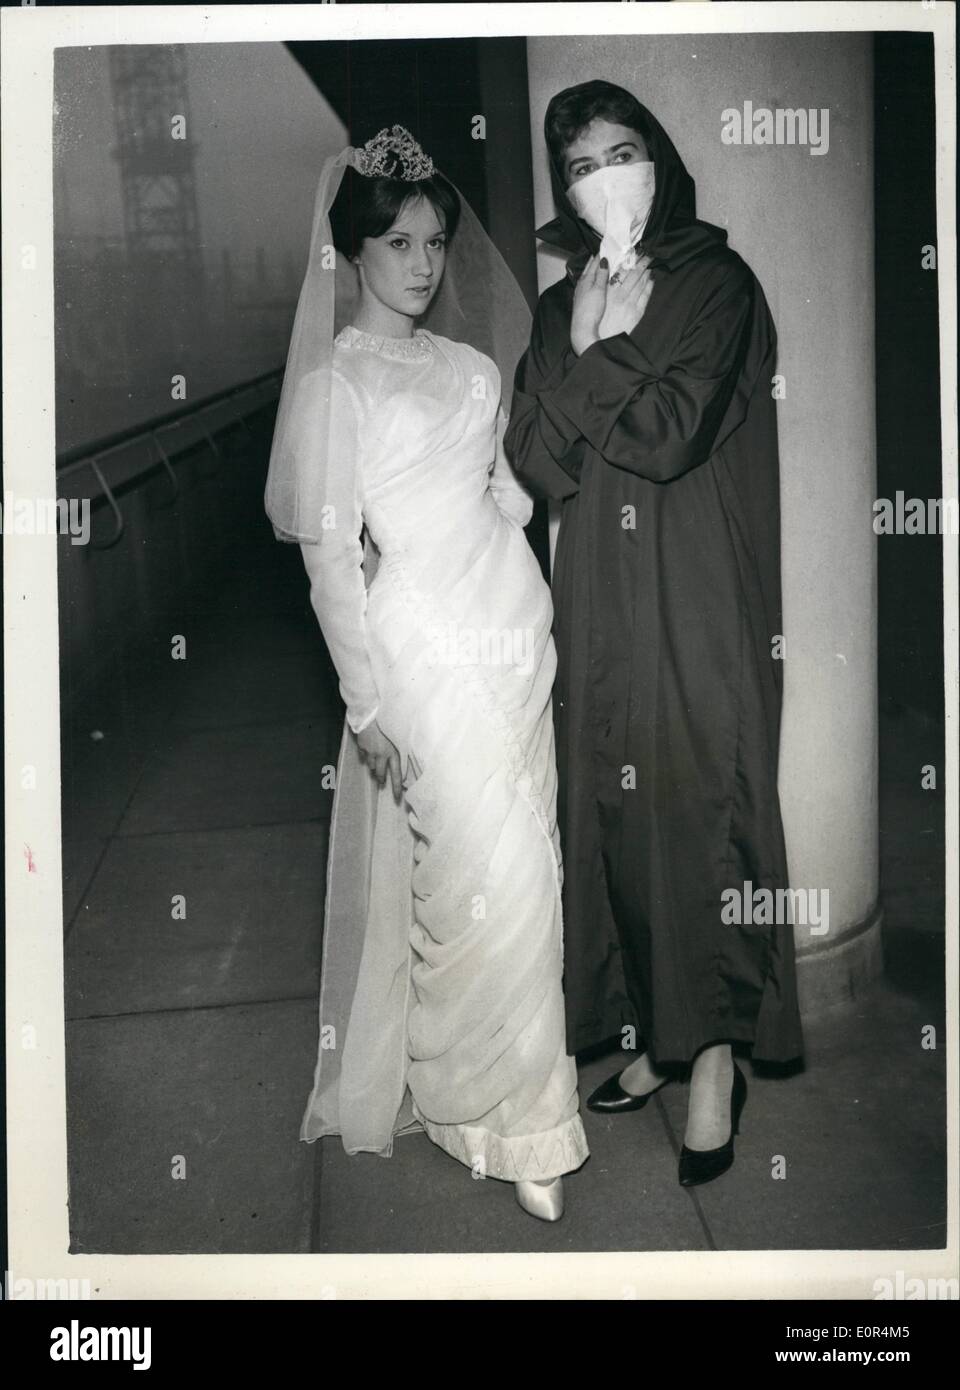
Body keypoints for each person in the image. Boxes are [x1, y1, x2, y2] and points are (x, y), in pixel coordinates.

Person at [264, 126, 588, 1223]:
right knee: (495, 880)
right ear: (354, 250)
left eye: (435, 242)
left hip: (514, 632)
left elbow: (506, 496)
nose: (422, 263)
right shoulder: (334, 386)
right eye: (398, 242)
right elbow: (328, 564)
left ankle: (481, 1105)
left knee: (523, 865)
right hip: (421, 656)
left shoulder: (473, 369)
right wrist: (364, 705)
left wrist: (533, 474)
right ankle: (520, 1121)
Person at [505, 81, 803, 1187]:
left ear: (660, 158)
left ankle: (714, 1060)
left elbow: (672, 434)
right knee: (614, 817)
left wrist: (602, 352)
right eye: (579, 168)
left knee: (700, 808)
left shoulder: (720, 284)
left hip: (696, 591)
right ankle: (649, 1036)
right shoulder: (558, 307)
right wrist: (585, 336)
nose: (604, 180)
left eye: (619, 153)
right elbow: (534, 460)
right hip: (598, 596)